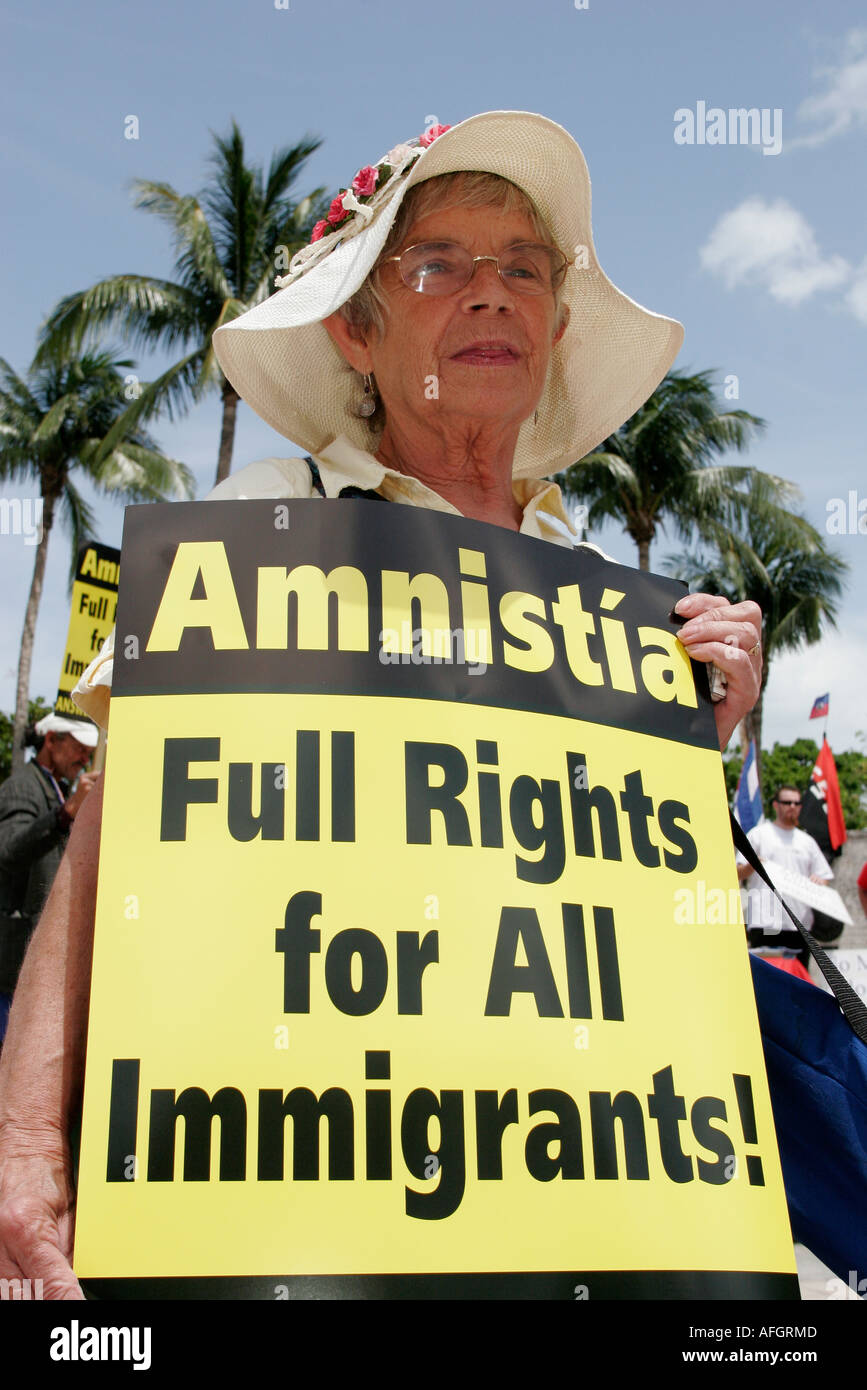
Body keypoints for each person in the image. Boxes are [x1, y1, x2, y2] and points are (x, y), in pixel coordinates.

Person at [0, 111, 763, 1299]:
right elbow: (111, 844)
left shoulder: (609, 591)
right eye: (438, 264)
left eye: (521, 269)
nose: (490, 294)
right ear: (359, 330)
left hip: (564, 1193)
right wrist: (32, 1143)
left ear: (556, 331)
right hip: (291, 1194)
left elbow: (626, 915)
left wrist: (689, 738)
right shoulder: (266, 520)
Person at [0, 715, 98, 1042]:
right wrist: (66, 812)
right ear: (51, 740)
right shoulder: (21, 787)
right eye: (79, 749)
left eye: (89, 752)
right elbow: (10, 851)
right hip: (13, 965)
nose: (84, 758)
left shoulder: (55, 787)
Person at [736, 783, 833, 964]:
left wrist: (820, 882)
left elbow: (824, 876)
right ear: (776, 805)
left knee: (799, 984)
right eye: (787, 802)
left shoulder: (807, 841)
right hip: (766, 922)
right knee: (766, 985)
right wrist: (752, 866)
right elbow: (737, 873)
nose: (792, 807)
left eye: (797, 803)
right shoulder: (758, 834)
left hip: (800, 924)